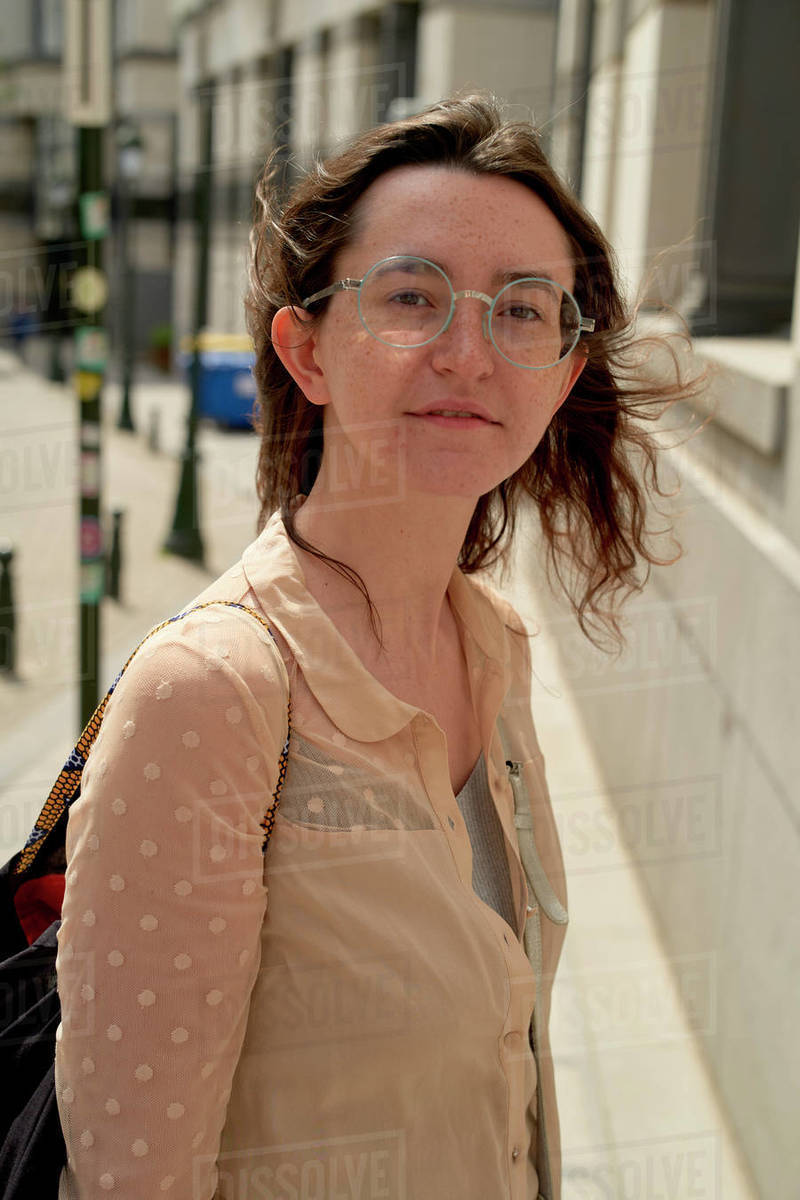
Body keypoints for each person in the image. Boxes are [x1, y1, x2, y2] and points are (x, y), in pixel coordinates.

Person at [54, 94, 700, 1199]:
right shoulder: (213, 694)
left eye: (522, 310)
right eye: (411, 297)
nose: (467, 351)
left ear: (561, 365)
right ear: (305, 348)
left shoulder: (489, 644)